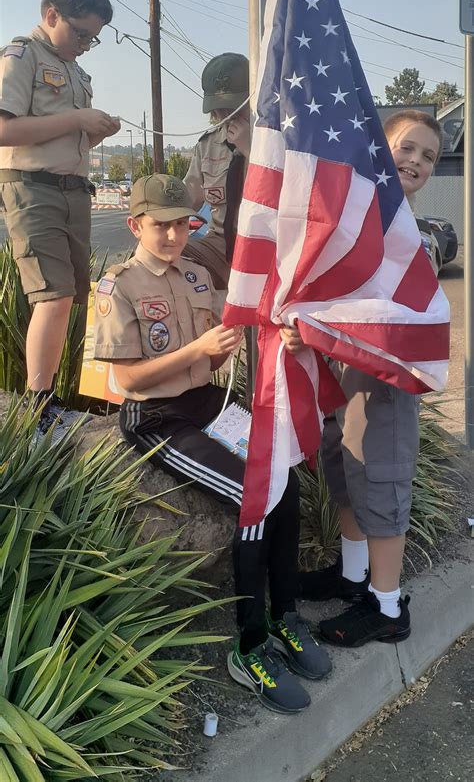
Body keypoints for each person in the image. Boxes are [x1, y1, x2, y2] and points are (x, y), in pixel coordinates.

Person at [93, 172, 332, 713]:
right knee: (255, 499)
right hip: (156, 417)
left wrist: (220, 350)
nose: (175, 236)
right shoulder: (119, 286)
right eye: (161, 226)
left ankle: (285, 615)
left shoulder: (198, 276)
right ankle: (248, 648)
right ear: (135, 224)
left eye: (184, 224)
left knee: (283, 480)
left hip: (205, 403)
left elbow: (213, 356)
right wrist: (198, 347)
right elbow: (128, 381)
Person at [298, 110, 444, 647]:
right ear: (380, 149)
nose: (417, 161)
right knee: (345, 471)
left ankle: (386, 607)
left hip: (385, 381)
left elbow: (398, 317)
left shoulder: (415, 237)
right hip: (342, 370)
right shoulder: (353, 218)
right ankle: (353, 576)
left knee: (380, 480)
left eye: (428, 156)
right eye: (407, 148)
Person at [0, 0, 121, 432]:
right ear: (51, 14)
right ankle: (38, 406)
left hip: (73, 190)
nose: (85, 44)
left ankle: (53, 395)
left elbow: (69, 140)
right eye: (81, 33)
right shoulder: (22, 56)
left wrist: (92, 130)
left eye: (94, 39)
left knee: (73, 299)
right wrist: (76, 117)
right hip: (32, 188)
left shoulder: (75, 70)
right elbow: (4, 130)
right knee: (53, 297)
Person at [183, 52, 251, 290]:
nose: (226, 115)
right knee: (158, 259)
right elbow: (187, 197)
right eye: (219, 108)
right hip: (220, 245)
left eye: (234, 107)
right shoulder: (207, 145)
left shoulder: (277, 138)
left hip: (266, 244)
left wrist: (251, 149)